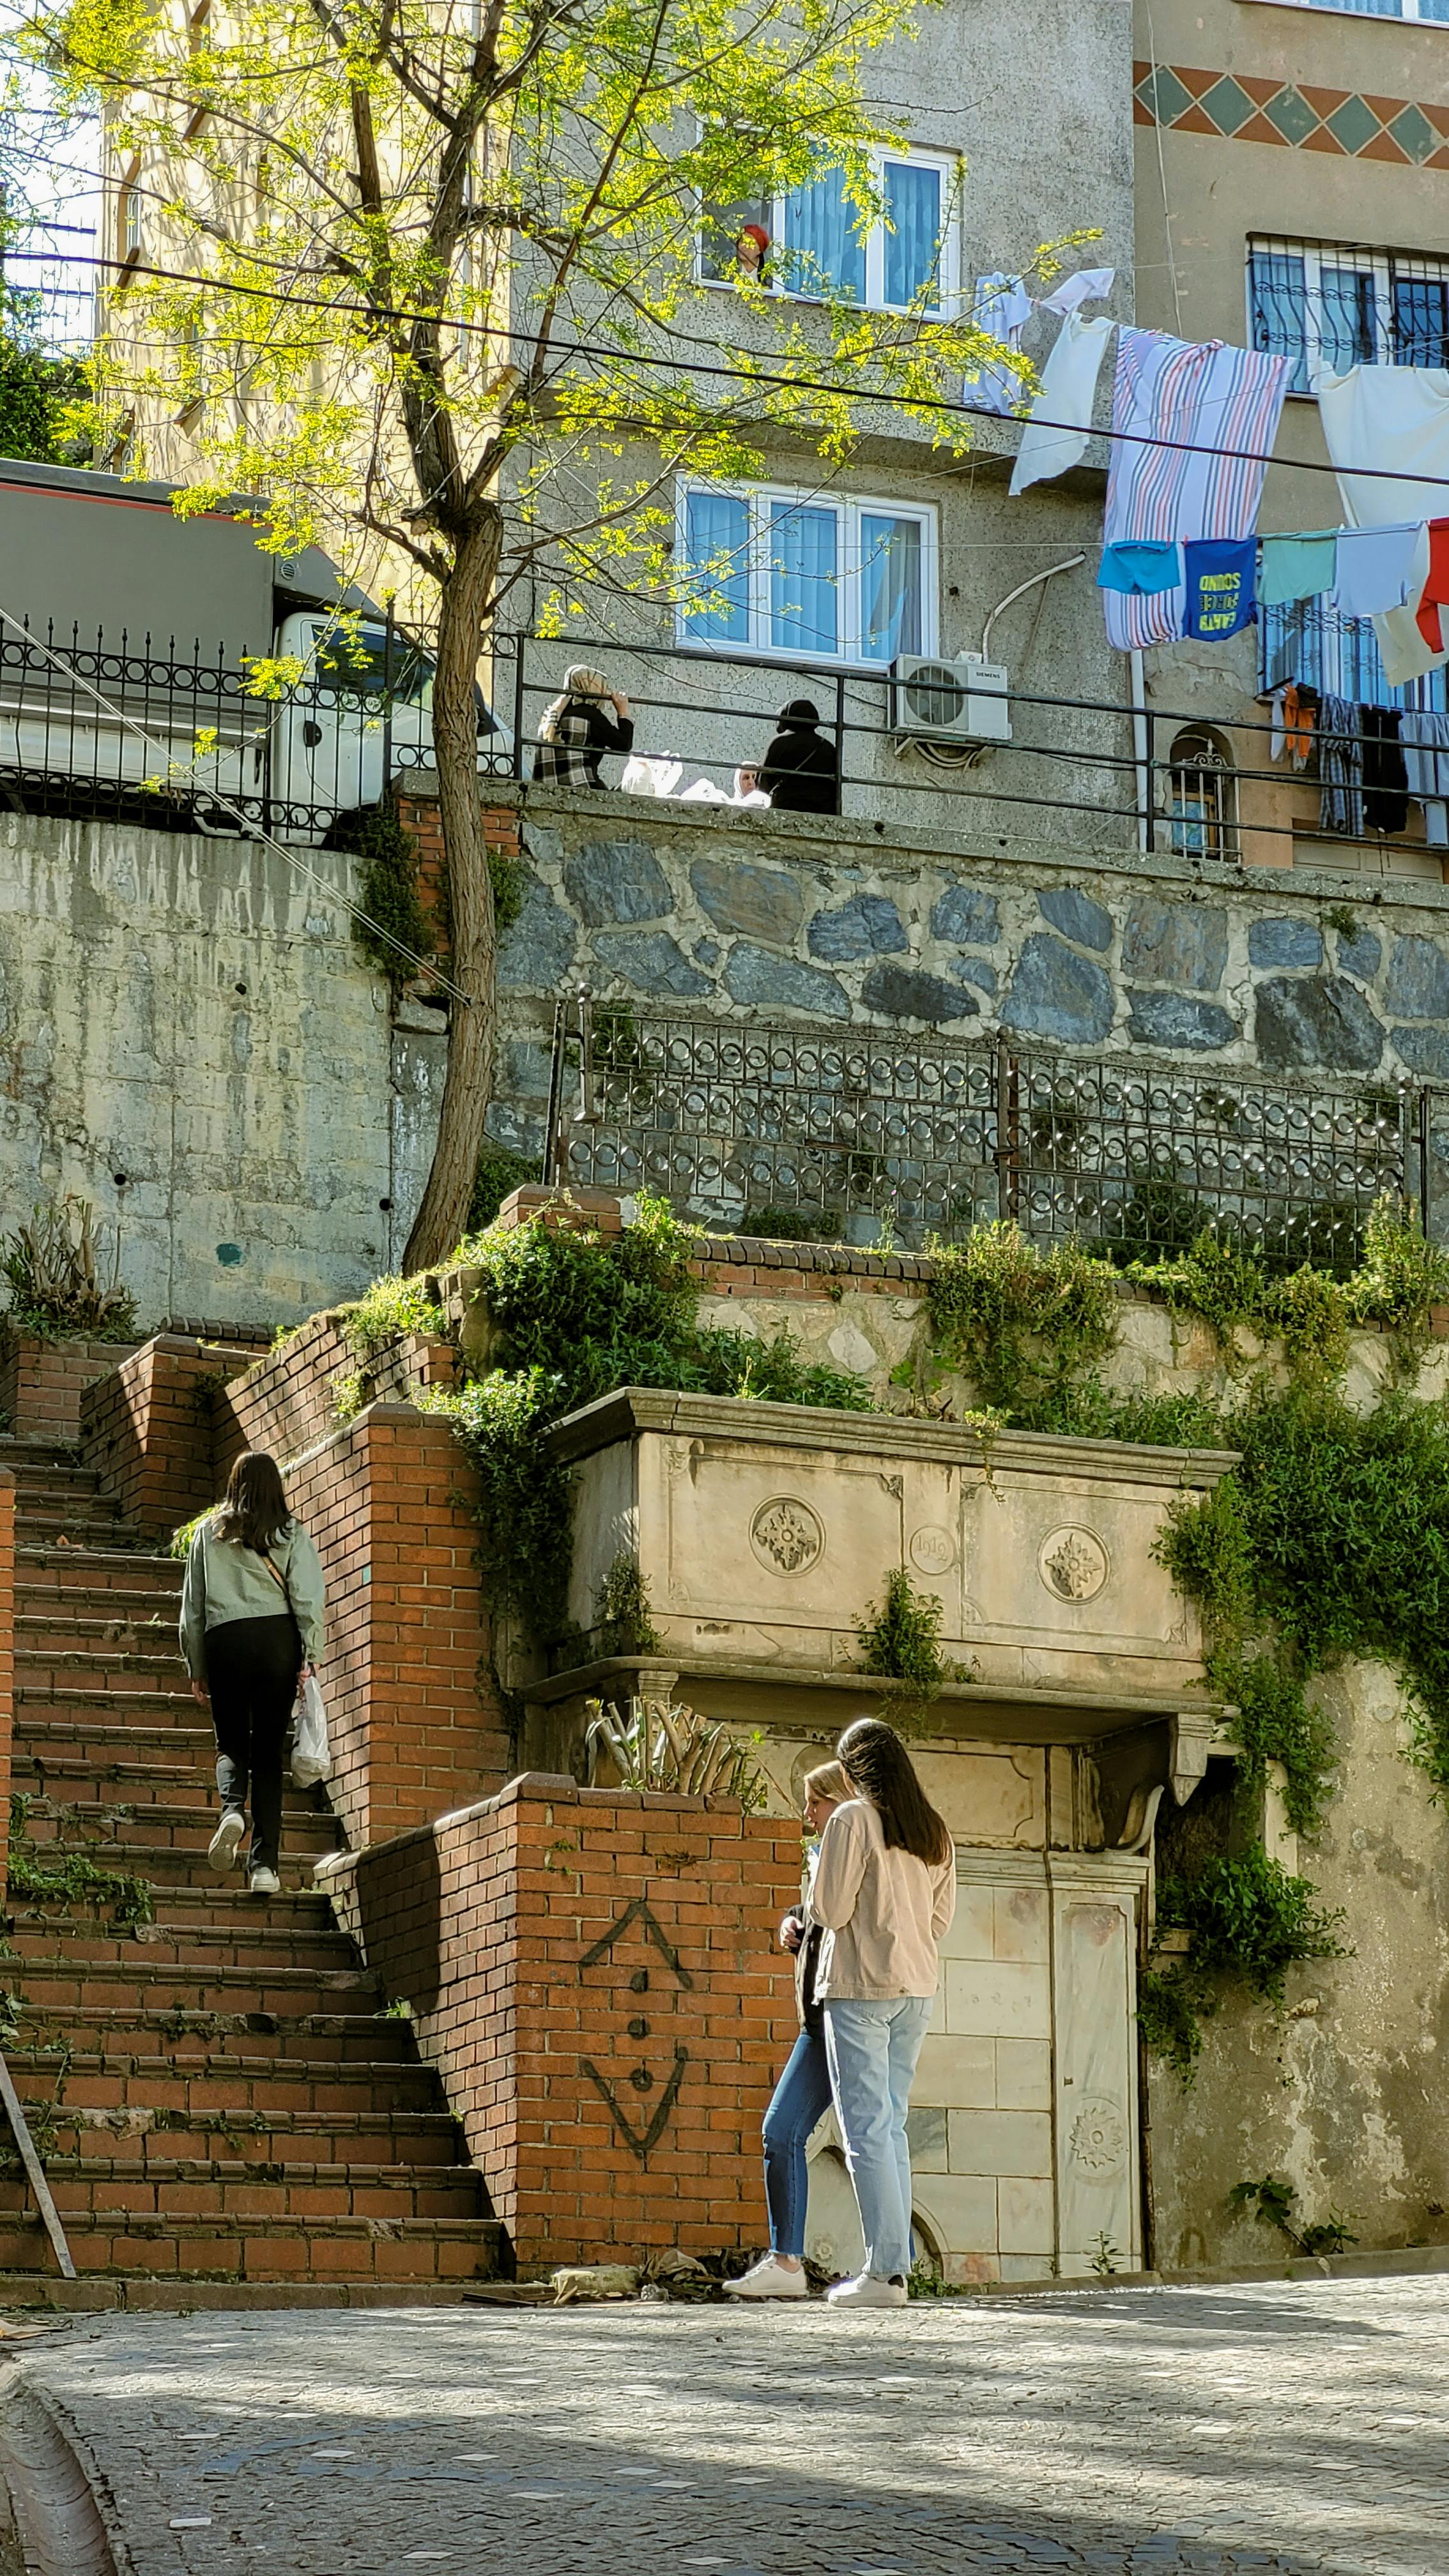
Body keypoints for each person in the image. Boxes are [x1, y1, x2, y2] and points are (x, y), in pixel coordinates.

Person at [810, 1717, 956, 2308]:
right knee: (889, 2127)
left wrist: (820, 1866)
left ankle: (885, 2273)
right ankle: (894, 2270)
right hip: (917, 1988)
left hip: (861, 1986)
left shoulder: (851, 1819)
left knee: (865, 2130)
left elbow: (828, 1910)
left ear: (850, 1770)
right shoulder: (934, 1829)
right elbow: (939, 1922)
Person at [725, 1759, 854, 2301]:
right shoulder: (826, 1855)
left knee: (867, 2139)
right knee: (782, 2132)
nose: (807, 1814)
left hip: (847, 2016)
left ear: (840, 1801)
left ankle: (888, 2266)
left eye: (815, 1802)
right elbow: (823, 1917)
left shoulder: (856, 1849)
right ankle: (787, 2260)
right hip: (817, 2018)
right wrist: (792, 1921)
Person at [180, 1450, 326, 1899]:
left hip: (226, 1640)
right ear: (275, 1486)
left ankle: (230, 1810)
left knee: (230, 1743)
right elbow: (308, 1597)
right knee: (267, 1756)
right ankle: (264, 1867)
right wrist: (310, 1654)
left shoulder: (209, 1533)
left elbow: (193, 1607)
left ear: (234, 1483)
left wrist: (196, 1665)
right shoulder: (291, 1533)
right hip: (276, 1641)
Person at [532, 665, 634, 788]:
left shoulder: (552, 714)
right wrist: (623, 711)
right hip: (580, 785)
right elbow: (624, 744)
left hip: (545, 787)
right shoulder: (589, 714)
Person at [758, 699, 839, 815]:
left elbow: (763, 783)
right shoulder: (827, 747)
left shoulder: (779, 743)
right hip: (823, 810)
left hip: (786, 806)